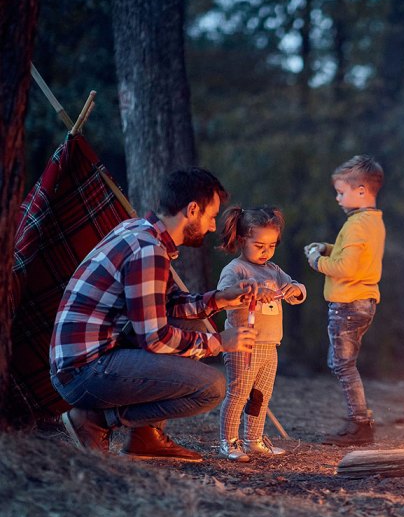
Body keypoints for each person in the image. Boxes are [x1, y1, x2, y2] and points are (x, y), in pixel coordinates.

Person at [50, 167, 258, 462]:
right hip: (84, 370)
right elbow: (155, 339)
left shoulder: (138, 232)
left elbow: (169, 305)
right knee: (212, 387)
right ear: (193, 210)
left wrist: (221, 299)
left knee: (186, 324)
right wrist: (219, 341)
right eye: (211, 217)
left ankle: (145, 437)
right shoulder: (148, 251)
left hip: (86, 360)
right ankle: (95, 419)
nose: (213, 227)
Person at [304, 155, 386, 446]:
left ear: (361, 190)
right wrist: (327, 247)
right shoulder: (371, 222)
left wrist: (316, 261)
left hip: (349, 304)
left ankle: (359, 424)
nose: (338, 198)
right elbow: (353, 254)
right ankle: (359, 419)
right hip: (363, 302)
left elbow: (345, 268)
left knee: (343, 365)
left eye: (341, 192)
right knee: (343, 364)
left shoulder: (355, 225)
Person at [216, 206, 306, 461]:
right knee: (239, 393)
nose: (266, 251)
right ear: (243, 240)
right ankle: (228, 442)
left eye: (272, 245)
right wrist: (251, 293)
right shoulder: (236, 270)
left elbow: (298, 288)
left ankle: (253, 439)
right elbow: (224, 299)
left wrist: (295, 291)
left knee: (261, 396)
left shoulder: (274, 270)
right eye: (260, 245)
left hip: (270, 344)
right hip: (243, 344)